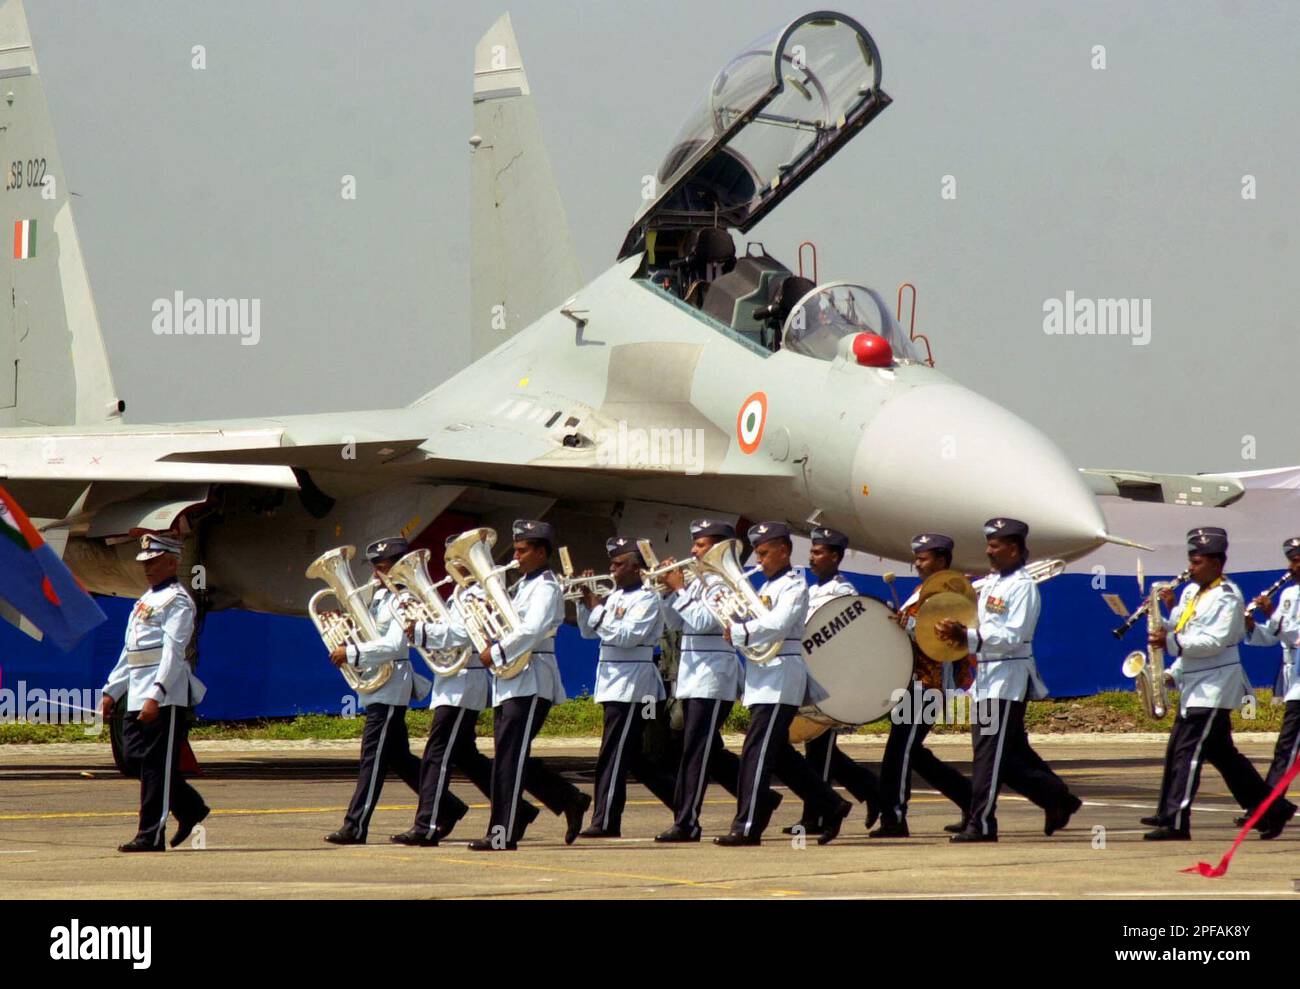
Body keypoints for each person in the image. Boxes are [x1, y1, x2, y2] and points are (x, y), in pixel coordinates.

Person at [1141, 527, 1296, 841]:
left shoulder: (1228, 596)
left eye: (1197, 562)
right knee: (1222, 757)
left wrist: (1170, 641)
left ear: (1216, 563)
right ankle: (1271, 810)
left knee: (1188, 753)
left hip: (1214, 686)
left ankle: (1175, 820)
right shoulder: (1190, 593)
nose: (1190, 567)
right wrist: (1163, 614)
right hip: (1194, 685)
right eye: (1190, 560)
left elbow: (1213, 641)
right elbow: (1184, 627)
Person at [936, 518, 1081, 843]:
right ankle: (1058, 799)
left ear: (1013, 549)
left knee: (989, 755)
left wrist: (968, 636)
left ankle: (982, 823)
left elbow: (1013, 635)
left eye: (995, 546)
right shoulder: (994, 583)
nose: (989, 551)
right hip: (987, 678)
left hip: (1007, 679)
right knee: (1011, 757)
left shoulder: (1022, 587)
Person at [390, 536, 540, 846]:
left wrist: (423, 631)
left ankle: (428, 824)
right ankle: (521, 810)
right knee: (461, 755)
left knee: (438, 755)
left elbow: (463, 633)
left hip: (465, 683)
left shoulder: (484, 592)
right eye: (452, 559)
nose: (453, 565)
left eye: (459, 558)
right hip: (452, 682)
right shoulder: (461, 594)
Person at [716, 521, 852, 846]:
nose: (759, 560)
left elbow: (777, 625)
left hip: (781, 677)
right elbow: (758, 622)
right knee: (778, 755)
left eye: (764, 553)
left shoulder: (794, 586)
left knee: (757, 752)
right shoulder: (765, 588)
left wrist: (738, 632)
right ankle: (832, 804)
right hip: (763, 675)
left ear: (784, 550)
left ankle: (747, 826)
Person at [469, 520, 591, 851]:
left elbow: (533, 629)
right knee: (510, 756)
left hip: (532, 679)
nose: (516, 555)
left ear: (540, 552)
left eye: (523, 550)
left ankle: (501, 835)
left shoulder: (547, 587)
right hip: (511, 680)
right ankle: (569, 798)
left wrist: (495, 650)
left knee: (509, 760)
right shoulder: (523, 585)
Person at [655, 519, 777, 843]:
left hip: (713, 676)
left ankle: (687, 823)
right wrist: (668, 592)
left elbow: (703, 621)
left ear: (719, 547)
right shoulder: (695, 581)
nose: (693, 550)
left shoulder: (723, 585)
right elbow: (673, 623)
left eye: (701, 544)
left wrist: (679, 589)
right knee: (696, 749)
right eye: (694, 543)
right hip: (693, 674)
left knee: (697, 749)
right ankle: (760, 801)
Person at [101, 533, 209, 852]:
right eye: (145, 562)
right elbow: (130, 652)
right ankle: (190, 807)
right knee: (135, 759)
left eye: (154, 562)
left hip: (164, 696)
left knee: (155, 766)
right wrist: (112, 690)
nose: (147, 567)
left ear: (172, 563)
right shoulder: (145, 600)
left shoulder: (177, 601)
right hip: (136, 693)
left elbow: (173, 653)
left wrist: (156, 695)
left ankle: (151, 834)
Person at [325, 537, 432, 845]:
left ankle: (355, 826)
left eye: (383, 568)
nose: (376, 574)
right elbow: (371, 633)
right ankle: (448, 806)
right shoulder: (377, 597)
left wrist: (352, 652)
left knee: (372, 759)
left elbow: (394, 645)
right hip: (377, 685)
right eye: (374, 568)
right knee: (398, 758)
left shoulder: (405, 599)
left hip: (390, 686)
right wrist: (344, 625)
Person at [873, 533, 973, 838]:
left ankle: (894, 818)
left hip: (928, 686)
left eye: (923, 558)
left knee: (900, 753)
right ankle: (972, 800)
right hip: (910, 683)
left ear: (941, 560)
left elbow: (944, 640)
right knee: (909, 753)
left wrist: (911, 626)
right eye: (917, 557)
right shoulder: (921, 591)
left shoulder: (951, 592)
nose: (917, 563)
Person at [784, 526, 882, 835]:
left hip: (829, 680)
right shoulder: (811, 591)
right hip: (810, 676)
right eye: (811, 551)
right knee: (818, 748)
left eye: (818, 552)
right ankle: (872, 790)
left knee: (820, 750)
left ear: (835, 556)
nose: (812, 558)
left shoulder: (843, 593)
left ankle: (817, 816)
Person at [576, 536, 677, 837]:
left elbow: (627, 636)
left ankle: (605, 820)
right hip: (616, 683)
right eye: (612, 564)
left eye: (619, 564)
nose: (612, 569)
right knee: (636, 757)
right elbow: (587, 632)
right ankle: (683, 804)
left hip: (637, 688)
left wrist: (596, 607)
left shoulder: (647, 598)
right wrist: (585, 604)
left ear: (636, 568)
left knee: (615, 752)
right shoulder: (616, 597)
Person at [1243, 536, 1300, 836]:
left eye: (1298, 560)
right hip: (1294, 683)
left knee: (1286, 751)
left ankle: (1267, 811)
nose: (1293, 566)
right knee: (1286, 751)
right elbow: (1274, 636)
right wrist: (1253, 625)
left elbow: (1295, 636)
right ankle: (1269, 811)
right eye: (1291, 560)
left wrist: (1270, 613)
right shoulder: (1290, 595)